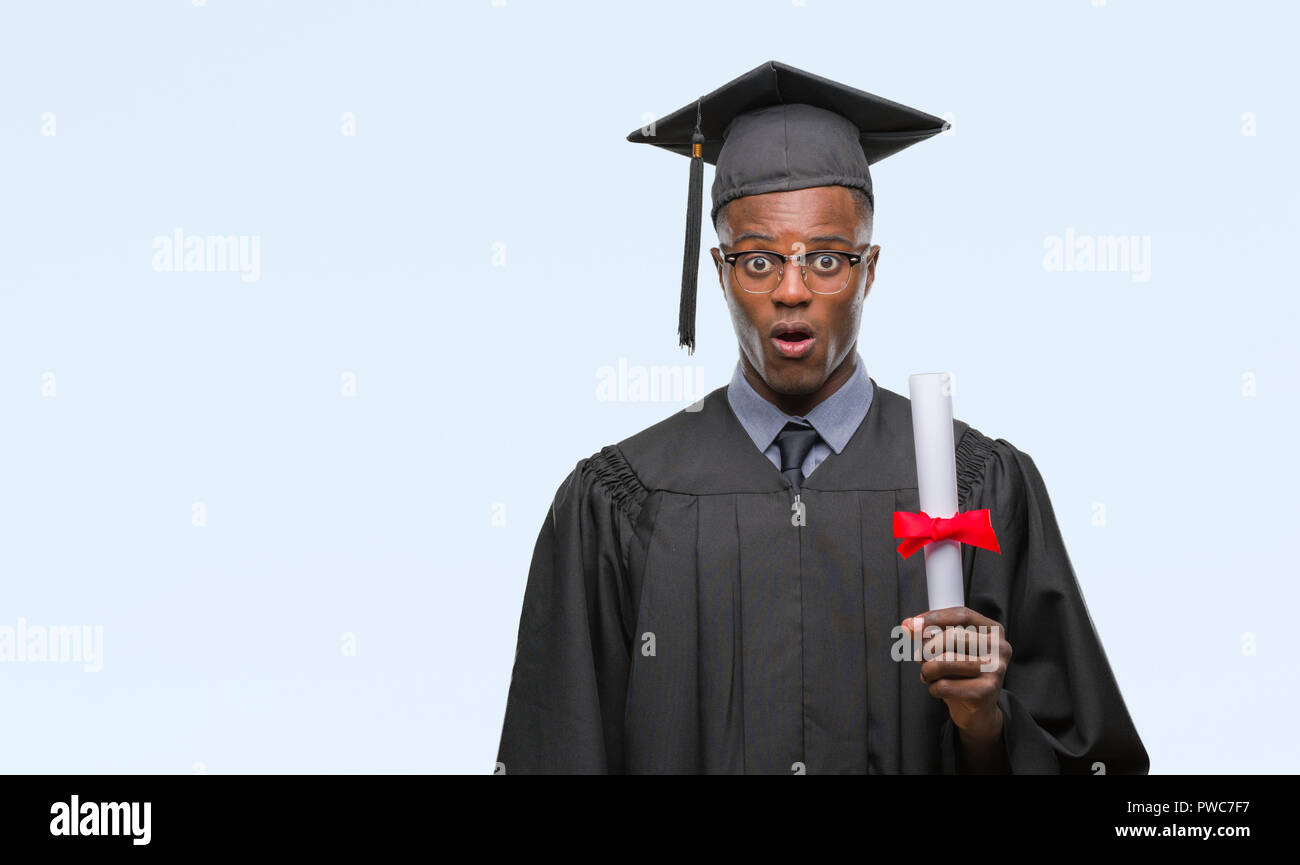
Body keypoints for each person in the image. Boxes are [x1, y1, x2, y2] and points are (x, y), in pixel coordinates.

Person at [495, 60, 1148, 774]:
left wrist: (987, 725)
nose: (793, 289)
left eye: (829, 260)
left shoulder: (979, 489)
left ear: (870, 269)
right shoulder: (618, 506)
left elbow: (1097, 766)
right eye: (758, 261)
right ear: (719, 272)